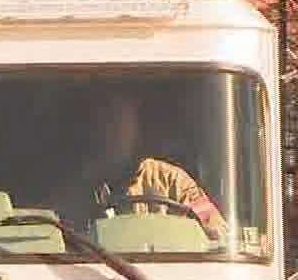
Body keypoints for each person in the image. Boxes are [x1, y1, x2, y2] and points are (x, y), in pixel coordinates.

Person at [76, 95, 227, 239]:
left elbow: (215, 230)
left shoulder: (172, 180)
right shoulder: (76, 186)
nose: (111, 134)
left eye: (118, 124)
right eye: (104, 125)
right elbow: (61, 241)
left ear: (137, 131)